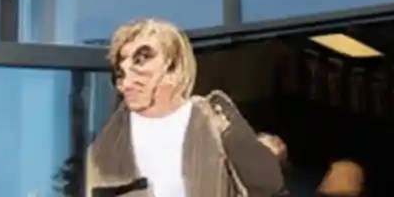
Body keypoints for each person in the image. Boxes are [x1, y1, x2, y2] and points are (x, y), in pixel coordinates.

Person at [86, 18, 285, 197]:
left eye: (141, 63)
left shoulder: (215, 118)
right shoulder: (105, 148)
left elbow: (269, 186)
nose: (127, 83)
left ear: (174, 69)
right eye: (122, 72)